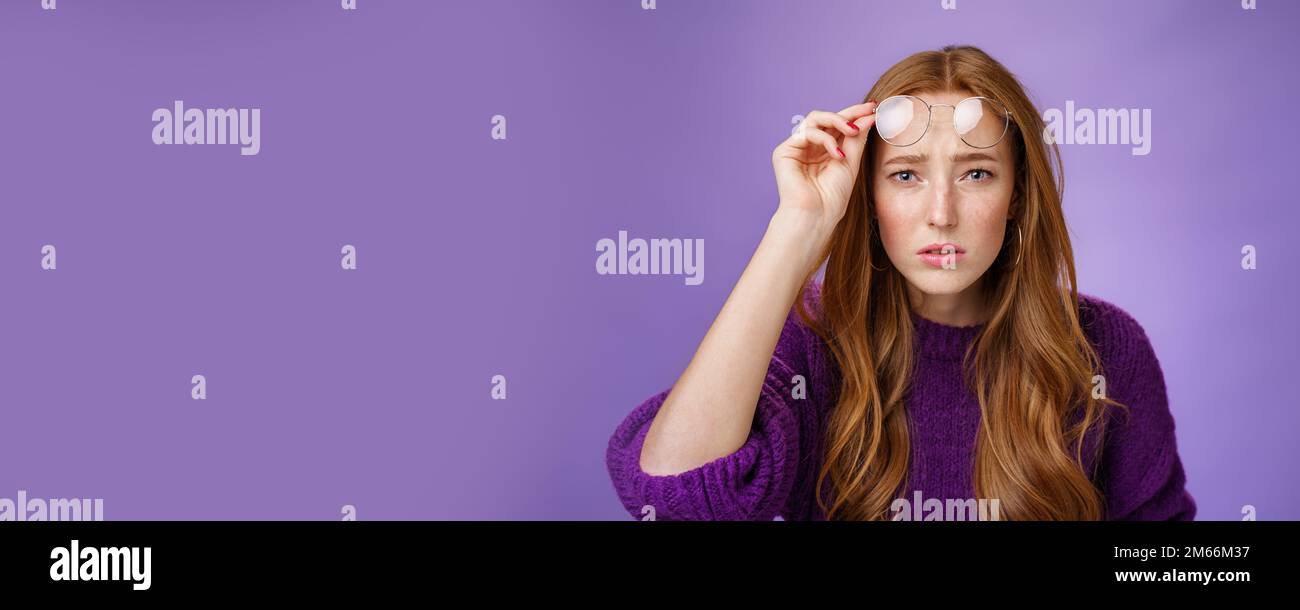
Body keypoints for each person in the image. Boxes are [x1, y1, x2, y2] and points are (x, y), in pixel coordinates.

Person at [604, 45, 1196, 521]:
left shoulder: (1105, 348)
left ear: (1016, 195)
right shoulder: (814, 344)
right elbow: (673, 496)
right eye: (906, 174)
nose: (941, 212)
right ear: (869, 194)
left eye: (977, 173)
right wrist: (799, 225)